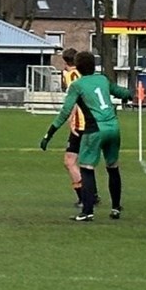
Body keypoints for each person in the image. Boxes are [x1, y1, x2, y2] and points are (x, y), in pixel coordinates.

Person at [39, 51, 132, 221]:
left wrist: (49, 134)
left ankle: (87, 211)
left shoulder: (77, 85)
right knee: (113, 167)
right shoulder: (103, 79)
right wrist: (129, 95)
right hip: (113, 126)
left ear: (79, 67)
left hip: (95, 129)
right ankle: (116, 208)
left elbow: (65, 111)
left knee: (87, 168)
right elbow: (121, 92)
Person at [59, 48, 89, 205]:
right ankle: (90, 194)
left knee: (70, 161)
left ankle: (84, 197)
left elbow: (75, 98)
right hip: (90, 121)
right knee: (84, 161)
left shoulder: (72, 76)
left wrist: (71, 119)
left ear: (65, 61)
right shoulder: (83, 74)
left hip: (80, 123)